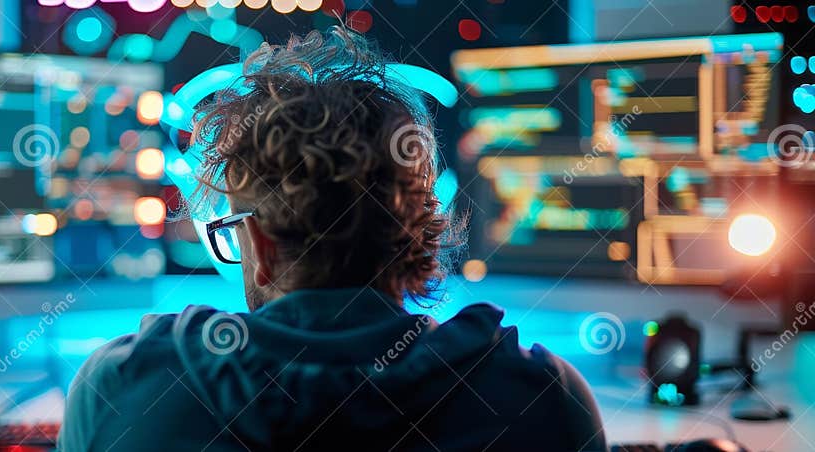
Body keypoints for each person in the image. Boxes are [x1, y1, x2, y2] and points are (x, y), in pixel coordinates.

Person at [59, 27, 606, 451]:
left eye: (235, 235)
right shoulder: (541, 399)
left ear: (263, 246)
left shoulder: (120, 389)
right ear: (417, 231)